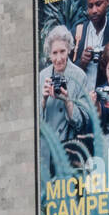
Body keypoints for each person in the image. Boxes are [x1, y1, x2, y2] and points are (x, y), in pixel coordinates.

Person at [39, 24, 91, 177]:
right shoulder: (42, 76)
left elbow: (84, 120)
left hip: (69, 150)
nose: (59, 58)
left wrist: (68, 101)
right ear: (49, 55)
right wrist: (43, 99)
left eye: (62, 51)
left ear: (69, 49)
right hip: (46, 150)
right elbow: (33, 123)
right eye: (54, 53)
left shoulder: (80, 76)